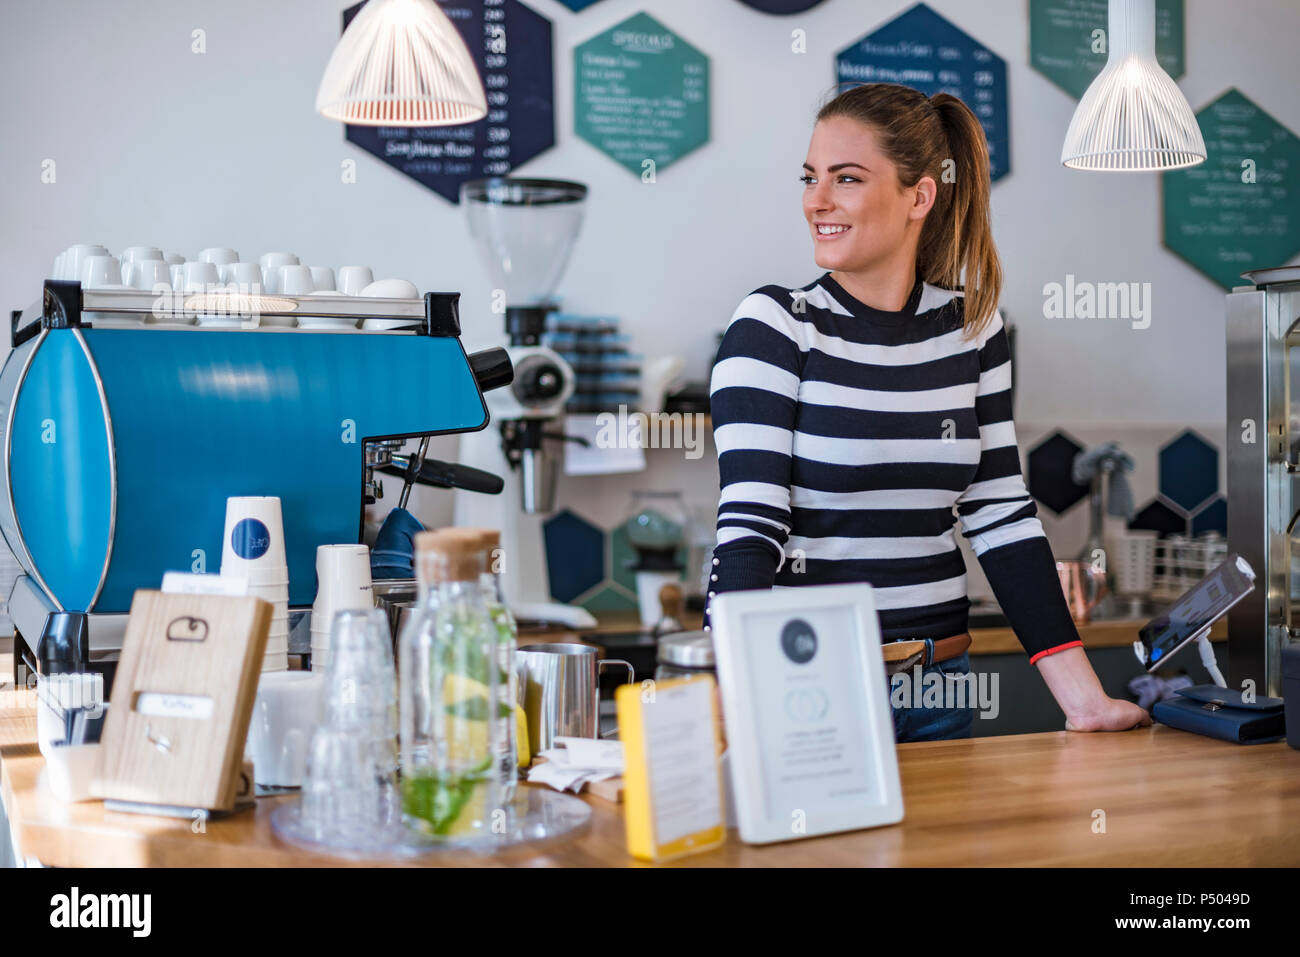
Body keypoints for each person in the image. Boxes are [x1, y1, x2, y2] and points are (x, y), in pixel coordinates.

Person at [703, 83, 1151, 742]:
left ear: (919, 195)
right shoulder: (776, 326)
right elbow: (750, 522)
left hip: (941, 685)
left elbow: (999, 511)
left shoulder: (973, 328)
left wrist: (1084, 701)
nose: (816, 201)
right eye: (810, 178)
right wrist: (725, 707)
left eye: (846, 178)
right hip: (811, 690)